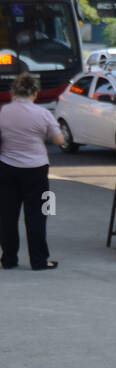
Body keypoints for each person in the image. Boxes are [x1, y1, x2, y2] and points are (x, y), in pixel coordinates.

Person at [0, 72, 64, 271]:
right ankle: (39, 260)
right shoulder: (42, 114)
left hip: (6, 168)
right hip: (36, 170)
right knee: (37, 215)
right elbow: (59, 140)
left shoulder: (3, 112)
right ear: (35, 92)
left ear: (13, 91)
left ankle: (9, 259)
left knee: (7, 215)